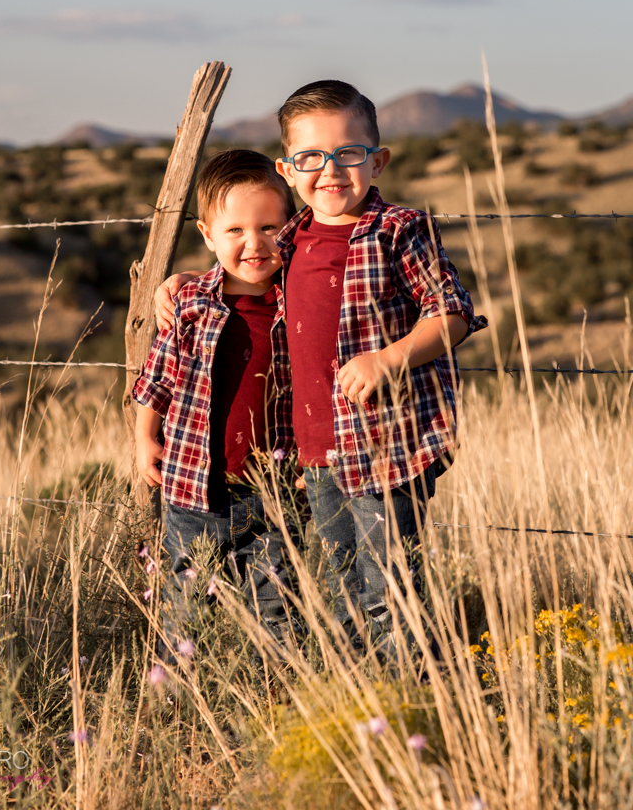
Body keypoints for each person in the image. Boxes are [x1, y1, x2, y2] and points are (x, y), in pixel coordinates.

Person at [155, 80, 486, 656]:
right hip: (315, 458)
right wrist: (187, 283)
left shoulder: (398, 230)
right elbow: (242, 258)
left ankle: (411, 699)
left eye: (349, 154)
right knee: (337, 589)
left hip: (385, 448)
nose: (330, 171)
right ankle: (352, 700)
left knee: (390, 588)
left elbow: (452, 314)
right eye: (311, 157)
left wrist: (389, 358)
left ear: (377, 160)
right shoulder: (291, 236)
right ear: (287, 170)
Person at [133, 148, 296, 658]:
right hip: (192, 486)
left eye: (271, 227)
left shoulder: (300, 300)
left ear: (292, 226)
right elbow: (159, 375)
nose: (255, 243)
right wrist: (144, 436)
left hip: (274, 492)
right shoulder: (192, 301)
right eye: (235, 231)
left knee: (276, 605)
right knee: (186, 604)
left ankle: (271, 698)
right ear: (206, 234)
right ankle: (177, 704)